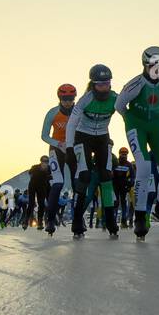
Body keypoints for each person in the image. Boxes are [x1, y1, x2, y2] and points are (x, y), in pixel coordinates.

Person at [116, 47, 159, 239]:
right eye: (152, 65)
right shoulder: (134, 85)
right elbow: (119, 106)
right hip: (136, 123)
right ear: (144, 64)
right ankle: (140, 216)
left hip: (158, 124)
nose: (156, 69)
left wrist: (154, 112)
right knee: (143, 168)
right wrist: (132, 119)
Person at [65, 64, 120, 239]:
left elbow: (127, 116)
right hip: (83, 136)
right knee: (85, 176)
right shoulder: (85, 99)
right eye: (100, 84)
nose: (104, 87)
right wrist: (68, 147)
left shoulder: (115, 98)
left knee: (106, 176)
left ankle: (111, 222)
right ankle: (77, 222)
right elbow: (72, 123)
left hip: (103, 136)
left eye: (107, 83)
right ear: (93, 84)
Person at [40, 84, 78, 232]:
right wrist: (58, 143)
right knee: (57, 183)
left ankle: (78, 219)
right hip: (57, 150)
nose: (68, 101)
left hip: (74, 149)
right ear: (59, 98)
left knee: (77, 185)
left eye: (70, 98)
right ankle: (50, 220)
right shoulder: (53, 113)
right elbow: (44, 135)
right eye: (65, 99)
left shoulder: (78, 112)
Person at [112, 147, 135, 227]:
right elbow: (111, 174)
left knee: (123, 204)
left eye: (125, 154)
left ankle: (124, 221)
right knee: (115, 203)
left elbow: (133, 176)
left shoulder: (129, 165)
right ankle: (113, 221)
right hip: (115, 186)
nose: (124, 156)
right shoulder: (115, 163)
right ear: (119, 154)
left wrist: (130, 184)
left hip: (124, 187)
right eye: (123, 154)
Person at [26, 156, 50, 229]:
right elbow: (30, 173)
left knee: (41, 205)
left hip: (42, 187)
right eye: (43, 161)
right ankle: (26, 220)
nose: (45, 163)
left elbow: (51, 178)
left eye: (46, 161)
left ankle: (40, 222)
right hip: (33, 186)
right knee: (31, 203)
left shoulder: (49, 168)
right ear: (41, 161)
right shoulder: (35, 167)